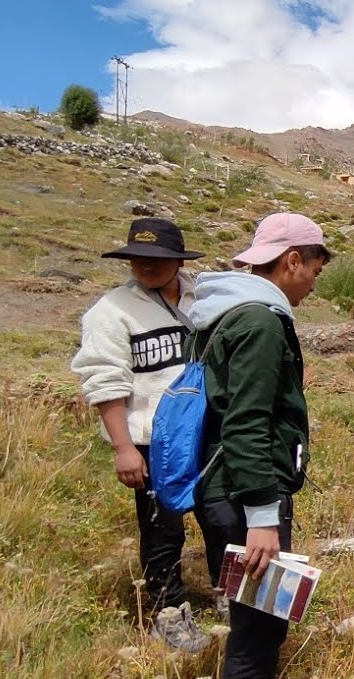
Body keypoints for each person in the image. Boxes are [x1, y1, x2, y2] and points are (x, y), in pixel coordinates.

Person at [187, 212, 330, 679]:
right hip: (245, 494)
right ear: (293, 260)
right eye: (314, 269)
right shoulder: (262, 322)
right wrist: (263, 517)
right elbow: (247, 422)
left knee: (249, 620)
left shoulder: (224, 313)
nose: (315, 281)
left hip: (219, 487)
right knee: (258, 627)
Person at [70, 217, 209, 653]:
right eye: (138, 258)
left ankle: (233, 602)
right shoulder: (109, 312)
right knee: (162, 531)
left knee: (223, 520)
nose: (146, 266)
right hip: (153, 441)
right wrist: (124, 447)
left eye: (158, 259)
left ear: (177, 260)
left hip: (207, 434)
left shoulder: (202, 299)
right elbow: (105, 382)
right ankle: (169, 615)